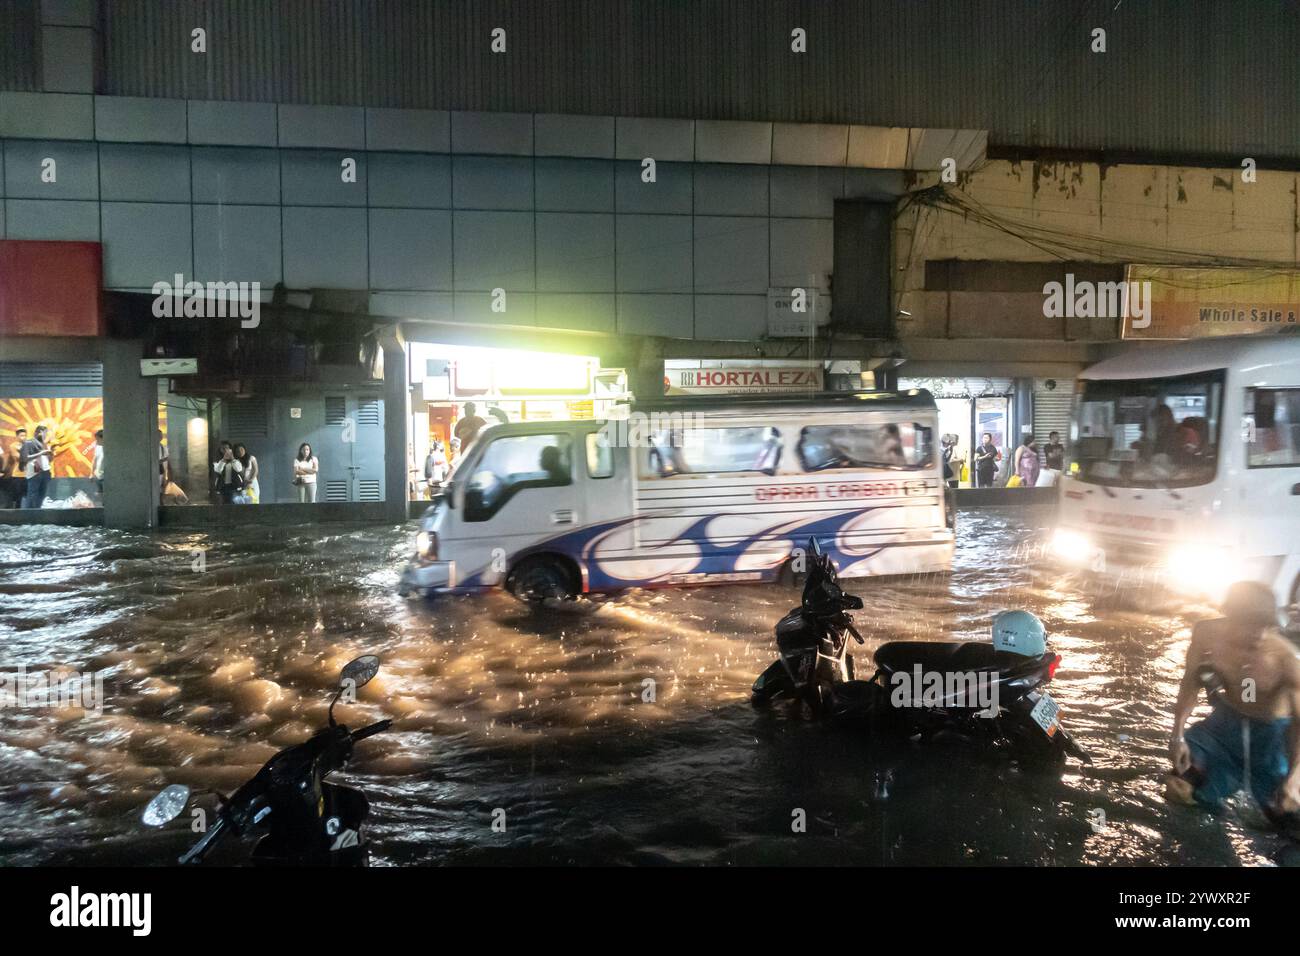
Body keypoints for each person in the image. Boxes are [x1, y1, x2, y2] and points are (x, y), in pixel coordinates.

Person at [1167, 581, 1300, 830]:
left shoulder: (1286, 660)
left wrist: (1295, 777)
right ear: (1230, 616)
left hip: (1273, 741)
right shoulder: (1206, 635)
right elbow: (1190, 683)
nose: (1260, 635)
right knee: (1180, 788)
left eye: (1266, 626)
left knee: (1285, 820)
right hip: (1223, 726)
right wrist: (1177, 734)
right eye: (1251, 626)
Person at [21, 425, 55, 508]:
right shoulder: (28, 443)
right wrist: (41, 453)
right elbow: (25, 458)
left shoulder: (45, 444)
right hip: (34, 473)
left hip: (45, 472)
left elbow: (49, 460)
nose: (45, 436)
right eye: (44, 433)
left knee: (41, 496)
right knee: (32, 496)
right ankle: (28, 517)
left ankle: (37, 515)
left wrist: (51, 453)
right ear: (37, 433)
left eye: (46, 434)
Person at [2, 427, 26, 508]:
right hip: (18, 474)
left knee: (26, 496)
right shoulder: (13, 446)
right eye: (21, 435)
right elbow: (18, 458)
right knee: (17, 497)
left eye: (25, 435)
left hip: (29, 474)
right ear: (17, 436)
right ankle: (15, 515)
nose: (24, 437)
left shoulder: (28, 444)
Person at [91, 429, 105, 500]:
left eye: (97, 439)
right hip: (98, 475)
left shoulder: (110, 448)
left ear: (102, 438)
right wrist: (92, 473)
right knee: (100, 493)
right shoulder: (98, 448)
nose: (96, 441)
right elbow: (95, 460)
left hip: (105, 477)